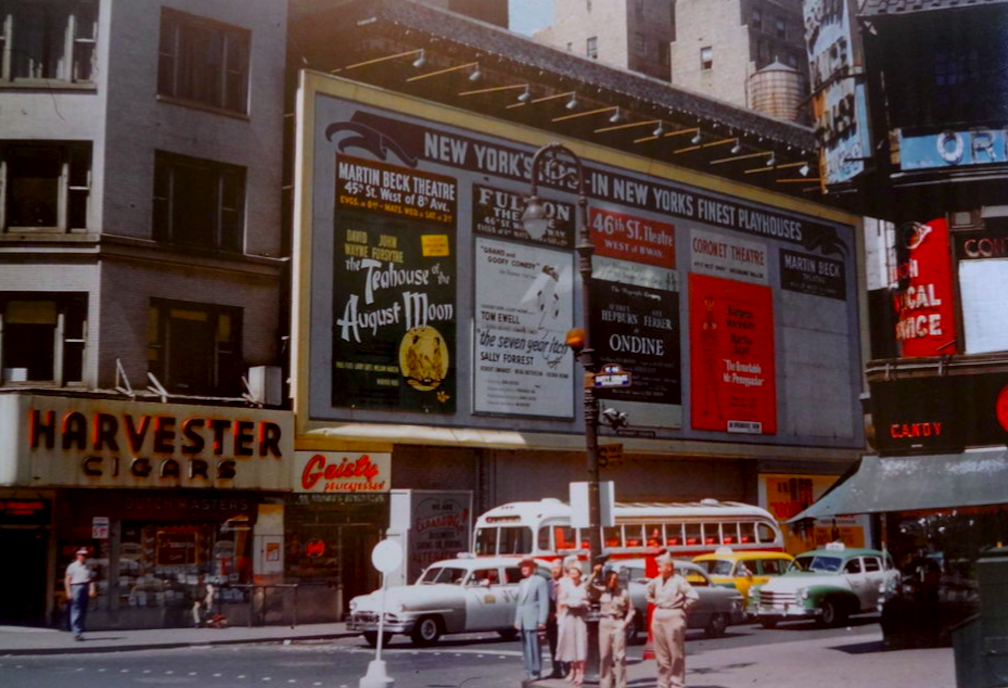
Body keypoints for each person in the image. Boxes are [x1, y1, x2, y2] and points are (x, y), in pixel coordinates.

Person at [647, 553, 698, 688]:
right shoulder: (656, 581)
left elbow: (693, 596)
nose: (658, 570)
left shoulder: (678, 581)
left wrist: (683, 607)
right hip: (659, 615)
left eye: (660, 566)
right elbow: (648, 593)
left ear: (669, 567)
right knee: (661, 654)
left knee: (675, 653)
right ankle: (663, 683)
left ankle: (677, 683)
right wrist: (656, 602)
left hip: (674, 616)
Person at [593, 567, 635, 688]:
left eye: (615, 579)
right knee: (605, 656)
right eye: (609, 579)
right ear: (605, 580)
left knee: (620, 656)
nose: (612, 581)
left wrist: (625, 623)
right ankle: (605, 683)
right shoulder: (601, 591)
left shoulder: (623, 593)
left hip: (618, 622)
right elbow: (587, 586)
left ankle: (620, 684)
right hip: (605, 622)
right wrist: (595, 573)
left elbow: (631, 610)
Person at [514, 558, 549, 681]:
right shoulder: (522, 582)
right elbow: (520, 603)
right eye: (522, 566)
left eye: (526, 566)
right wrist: (517, 620)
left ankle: (535, 671)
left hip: (533, 619)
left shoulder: (540, 581)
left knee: (534, 647)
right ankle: (528, 671)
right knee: (525, 647)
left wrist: (541, 620)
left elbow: (544, 602)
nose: (523, 569)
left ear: (532, 568)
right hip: (523, 620)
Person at [556, 562, 589, 685]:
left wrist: (582, 603)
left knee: (581, 643)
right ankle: (572, 670)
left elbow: (587, 600)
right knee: (570, 644)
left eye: (575, 573)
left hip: (580, 617)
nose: (573, 575)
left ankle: (581, 672)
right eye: (571, 573)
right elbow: (561, 600)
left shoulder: (583, 586)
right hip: (569, 616)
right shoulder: (566, 586)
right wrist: (569, 603)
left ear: (579, 574)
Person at [64, 548, 96, 641]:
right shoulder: (72, 566)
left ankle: (80, 631)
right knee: (76, 609)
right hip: (76, 586)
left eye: (85, 555)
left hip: (85, 586)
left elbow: (91, 579)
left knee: (83, 610)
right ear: (77, 556)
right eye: (82, 555)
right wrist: (68, 591)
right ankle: (76, 632)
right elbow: (67, 579)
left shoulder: (88, 567)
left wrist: (92, 589)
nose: (83, 557)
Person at [546, 562, 566, 678]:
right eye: (553, 568)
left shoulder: (565, 582)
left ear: (561, 569)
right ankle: (556, 669)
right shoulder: (547, 584)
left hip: (564, 616)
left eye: (557, 568)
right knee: (553, 645)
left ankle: (567, 668)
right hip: (552, 619)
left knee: (565, 643)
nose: (554, 570)